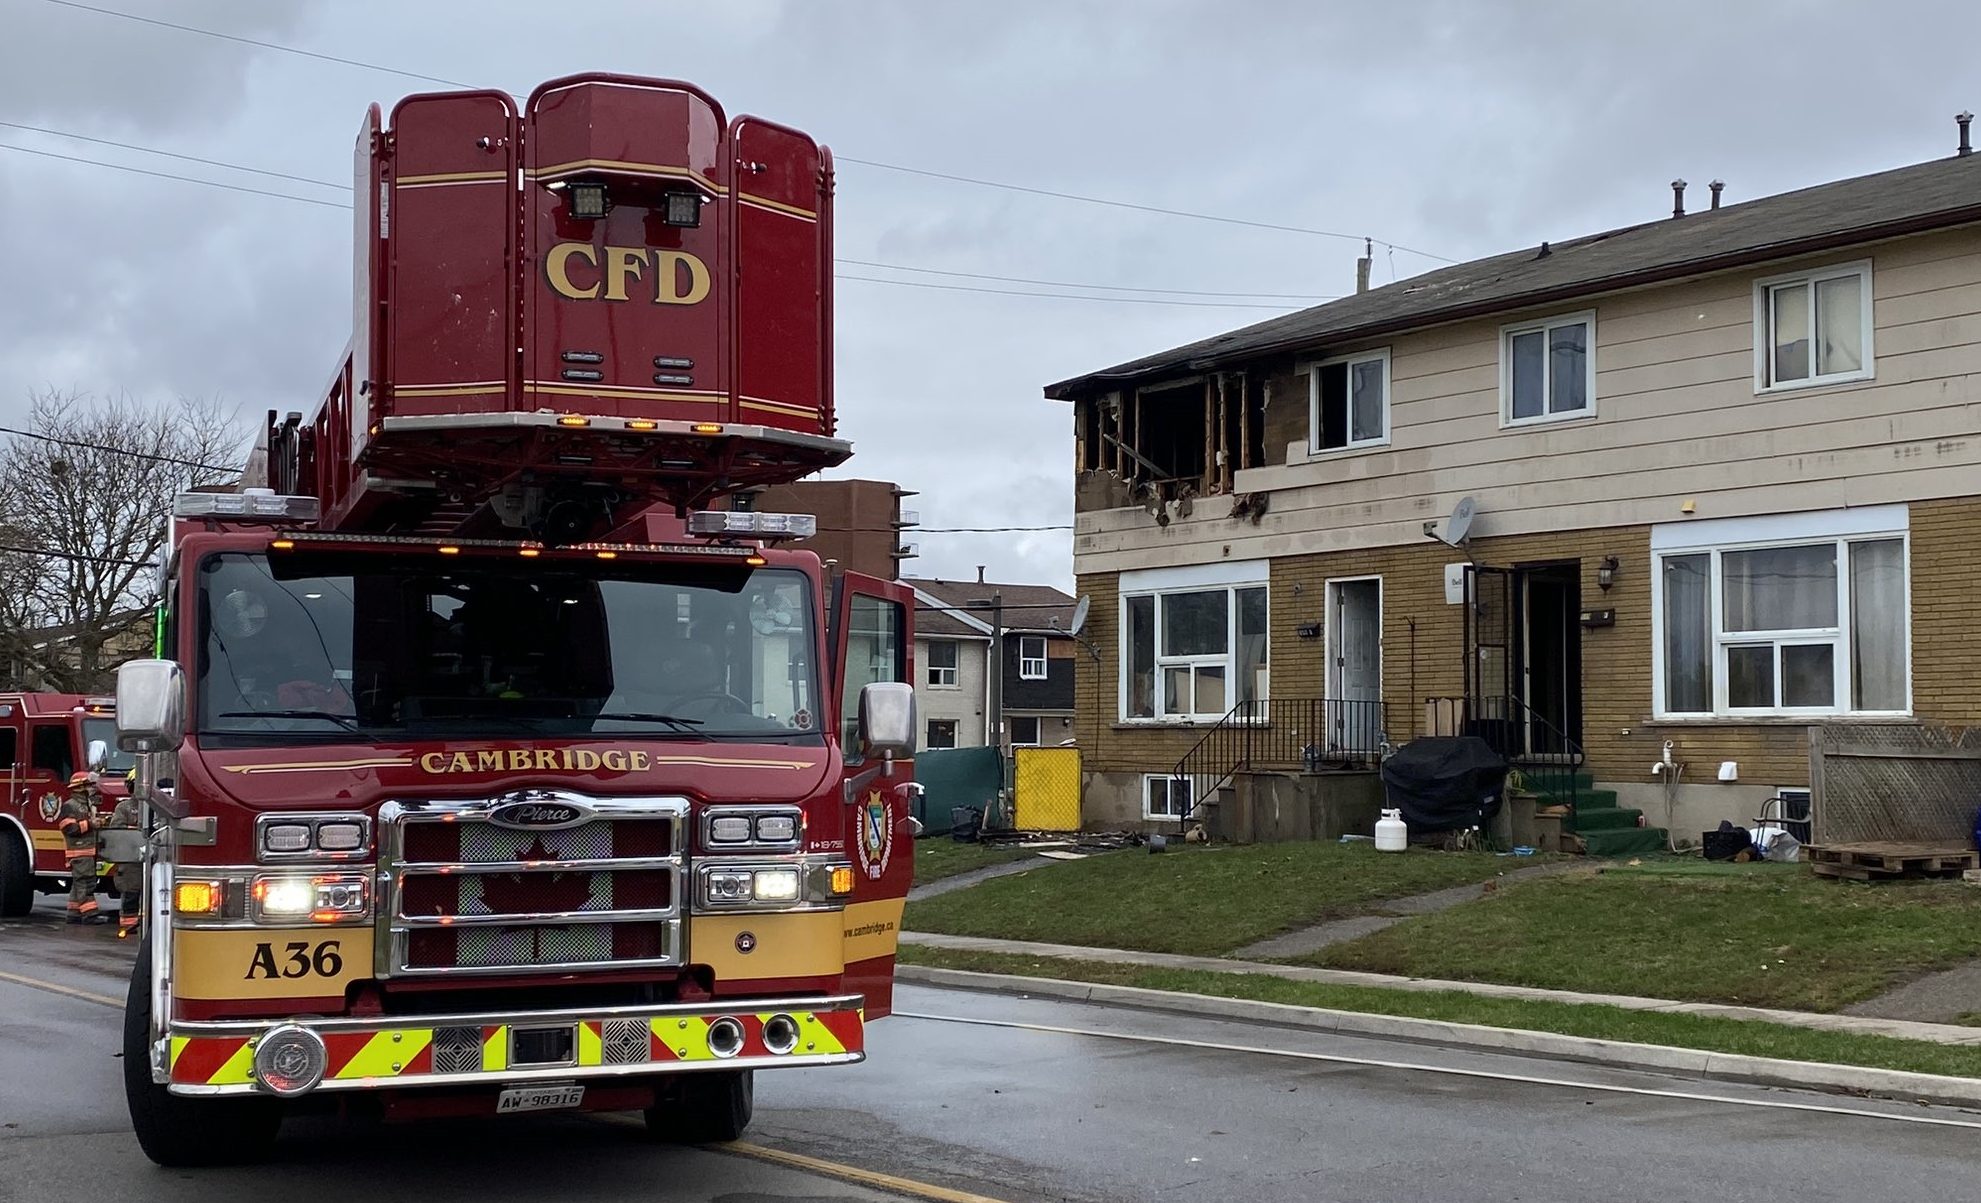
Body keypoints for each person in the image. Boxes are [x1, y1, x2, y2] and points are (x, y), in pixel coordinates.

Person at [55, 772, 105, 925]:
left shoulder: (86, 806)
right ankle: (90, 914)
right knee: (86, 883)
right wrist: (90, 824)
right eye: (89, 786)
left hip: (87, 851)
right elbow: (68, 828)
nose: (92, 788)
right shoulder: (70, 806)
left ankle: (74, 913)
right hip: (79, 852)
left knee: (79, 883)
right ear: (80, 788)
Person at [107, 770, 143, 938]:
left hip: (154, 857)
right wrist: (137, 830)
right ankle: (128, 926)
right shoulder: (124, 807)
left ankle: (148, 925)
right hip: (131, 857)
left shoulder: (158, 807)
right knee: (131, 890)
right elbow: (116, 828)